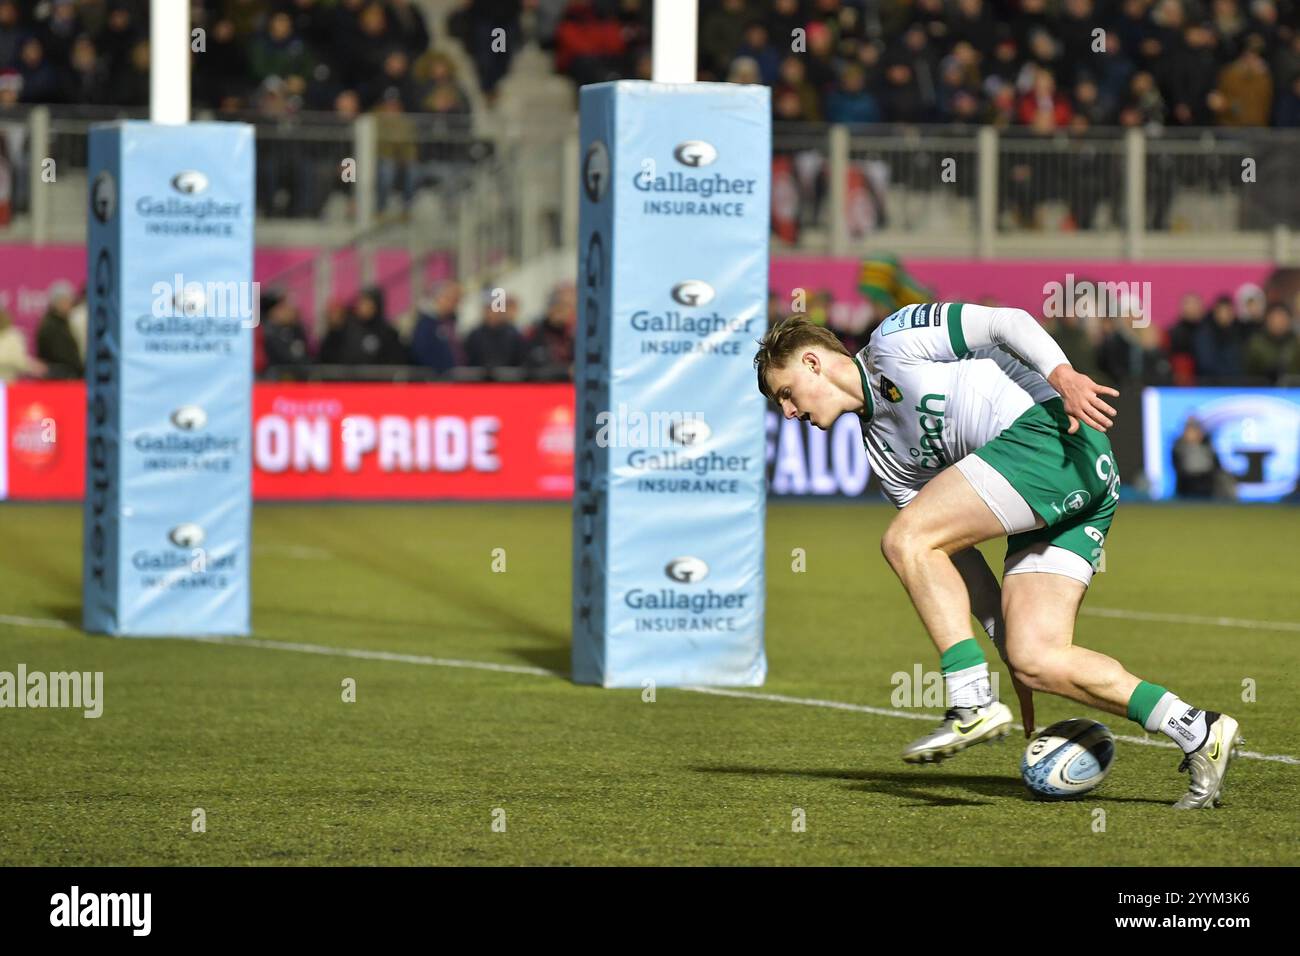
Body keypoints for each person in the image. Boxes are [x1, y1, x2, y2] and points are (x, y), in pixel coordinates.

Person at [754, 305, 1242, 809]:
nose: (789, 413)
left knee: (904, 539)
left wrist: (1063, 374)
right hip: (1070, 481)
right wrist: (1008, 650)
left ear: (813, 362)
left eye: (786, 394)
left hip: (1053, 433)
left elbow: (1005, 322)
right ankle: (1197, 729)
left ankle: (968, 701)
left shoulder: (893, 341)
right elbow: (958, 564)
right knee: (1037, 657)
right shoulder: (883, 455)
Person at [36, 280, 82, 378]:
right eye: (67, 301)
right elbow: (63, 354)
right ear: (58, 302)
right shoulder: (51, 326)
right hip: (59, 379)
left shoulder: (63, 323)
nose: (70, 305)